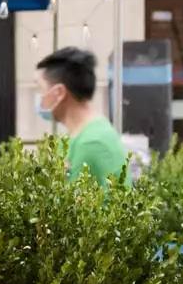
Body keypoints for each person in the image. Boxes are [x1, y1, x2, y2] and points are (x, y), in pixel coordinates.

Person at [35, 46, 127, 186]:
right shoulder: (78, 137)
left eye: (40, 89)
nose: (39, 97)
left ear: (59, 93)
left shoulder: (92, 144)